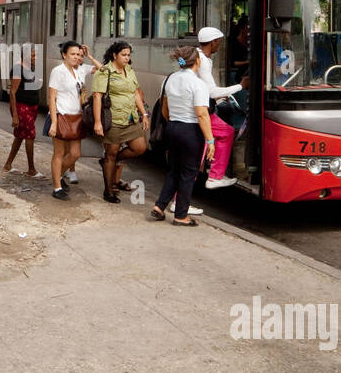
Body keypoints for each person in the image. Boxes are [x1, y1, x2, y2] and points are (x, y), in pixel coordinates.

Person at [150, 45, 215, 226]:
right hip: (190, 131)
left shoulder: (169, 79)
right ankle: (181, 215)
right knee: (188, 173)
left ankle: (160, 206)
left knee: (174, 170)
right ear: (198, 61)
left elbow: (165, 109)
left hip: (172, 128)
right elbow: (202, 114)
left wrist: (175, 122)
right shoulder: (198, 84)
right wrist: (210, 140)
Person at [91, 39, 150, 204]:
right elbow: (97, 97)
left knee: (140, 147)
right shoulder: (105, 72)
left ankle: (110, 161)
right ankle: (108, 190)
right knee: (111, 152)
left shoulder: (129, 70)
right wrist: (97, 122)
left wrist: (144, 114)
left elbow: (135, 93)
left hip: (131, 118)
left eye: (128, 55)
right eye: (123, 55)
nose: (126, 58)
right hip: (114, 119)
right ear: (114, 55)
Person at [47, 39, 101, 199]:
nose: (76, 57)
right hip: (61, 116)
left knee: (75, 154)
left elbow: (103, 69)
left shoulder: (80, 70)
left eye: (79, 54)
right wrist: (54, 123)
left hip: (77, 117)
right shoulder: (58, 71)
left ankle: (58, 175)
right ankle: (57, 187)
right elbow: (52, 98)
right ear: (64, 55)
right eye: (72, 54)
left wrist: (89, 56)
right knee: (59, 153)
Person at [196, 27, 245, 189]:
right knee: (196, 159)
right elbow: (211, 91)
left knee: (227, 132)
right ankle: (177, 202)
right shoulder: (202, 61)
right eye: (219, 42)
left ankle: (215, 176)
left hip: (205, 110)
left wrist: (220, 97)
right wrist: (240, 86)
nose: (219, 46)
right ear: (213, 42)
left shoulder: (201, 57)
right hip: (199, 113)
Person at [3, 43, 44, 178]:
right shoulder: (17, 69)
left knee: (21, 136)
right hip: (21, 106)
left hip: (32, 106)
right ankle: (31, 169)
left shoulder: (31, 67)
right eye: (33, 55)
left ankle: (8, 165)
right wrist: (15, 115)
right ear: (25, 55)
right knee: (30, 135)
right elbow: (13, 92)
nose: (35, 57)